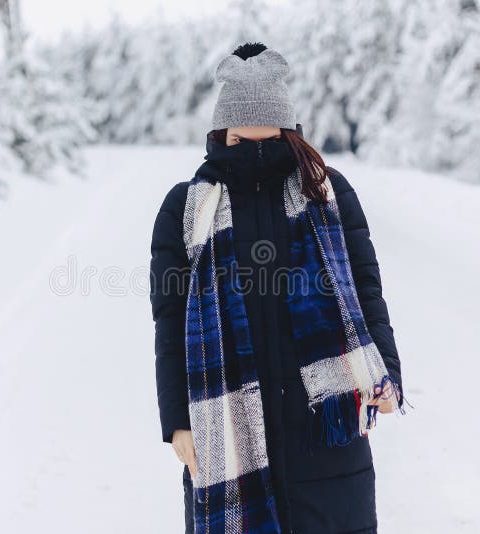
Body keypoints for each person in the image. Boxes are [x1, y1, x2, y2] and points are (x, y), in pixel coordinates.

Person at [149, 42, 404, 534]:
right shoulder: (184, 209)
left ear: (287, 129)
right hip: (225, 426)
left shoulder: (328, 193)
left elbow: (366, 289)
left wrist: (386, 369)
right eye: (244, 139)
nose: (258, 150)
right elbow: (170, 322)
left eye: (269, 136)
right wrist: (178, 416)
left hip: (322, 427)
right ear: (223, 131)